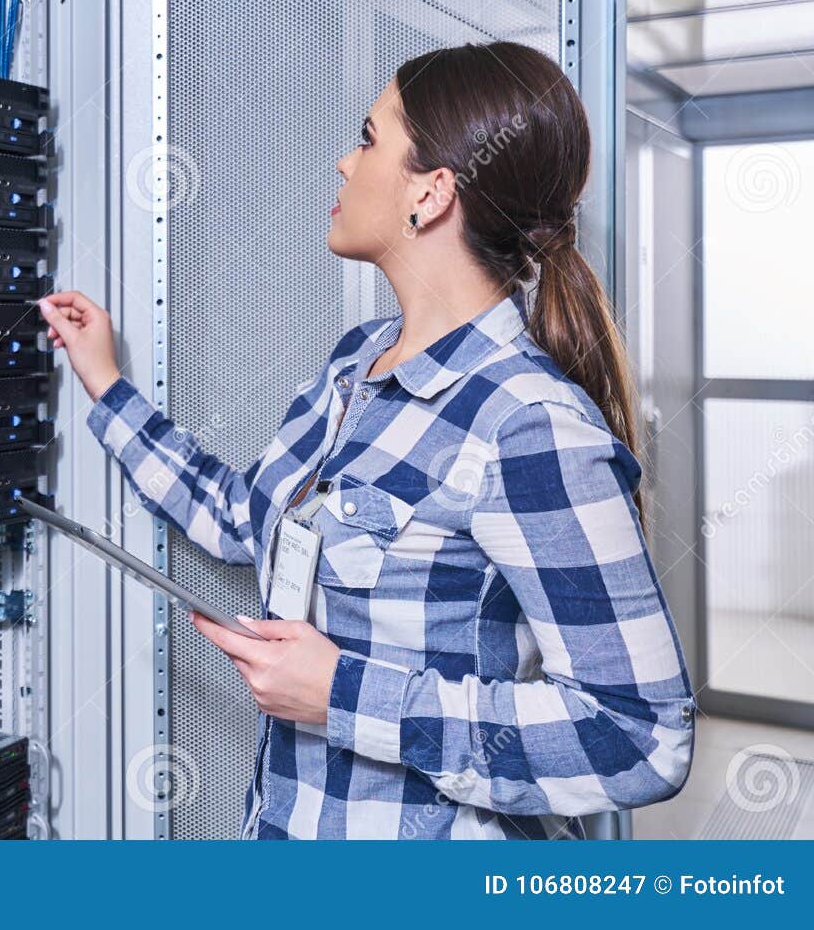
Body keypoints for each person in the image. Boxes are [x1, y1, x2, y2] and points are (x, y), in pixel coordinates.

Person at [38, 41, 694, 840]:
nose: (346, 164)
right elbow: (240, 515)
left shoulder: (526, 424)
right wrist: (106, 383)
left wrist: (344, 694)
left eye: (369, 137)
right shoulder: (357, 364)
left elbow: (639, 736)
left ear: (431, 193)